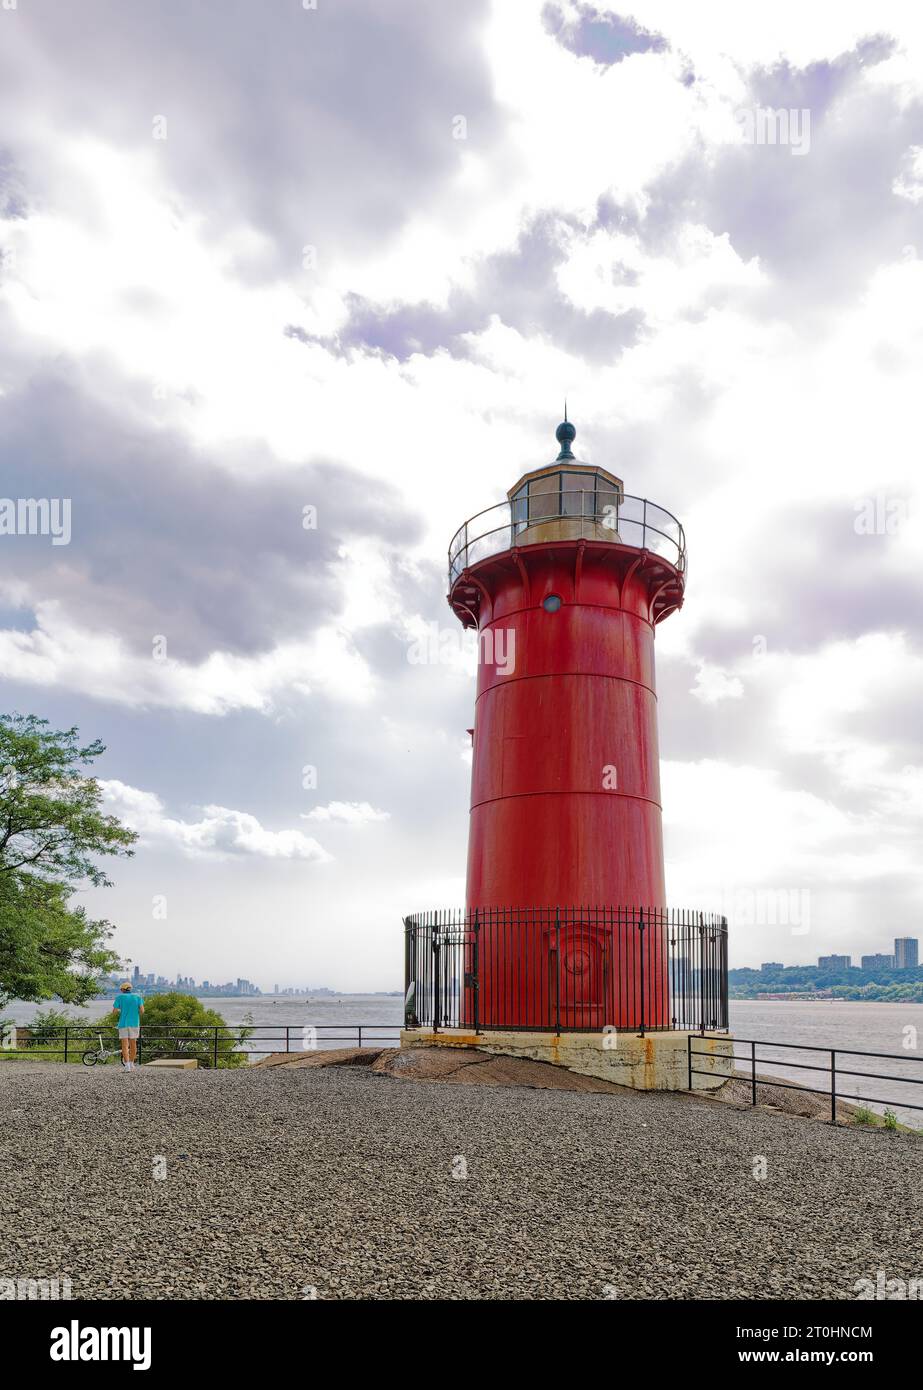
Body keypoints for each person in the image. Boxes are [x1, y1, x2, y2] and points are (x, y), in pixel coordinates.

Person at [113, 982, 144, 1070]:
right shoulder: (137, 997)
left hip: (123, 1024)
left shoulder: (119, 998)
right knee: (133, 1044)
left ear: (123, 989)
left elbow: (114, 1011)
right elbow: (142, 1011)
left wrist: (122, 1011)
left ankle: (127, 1066)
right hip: (134, 1023)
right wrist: (134, 1013)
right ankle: (131, 1063)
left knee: (124, 1045)